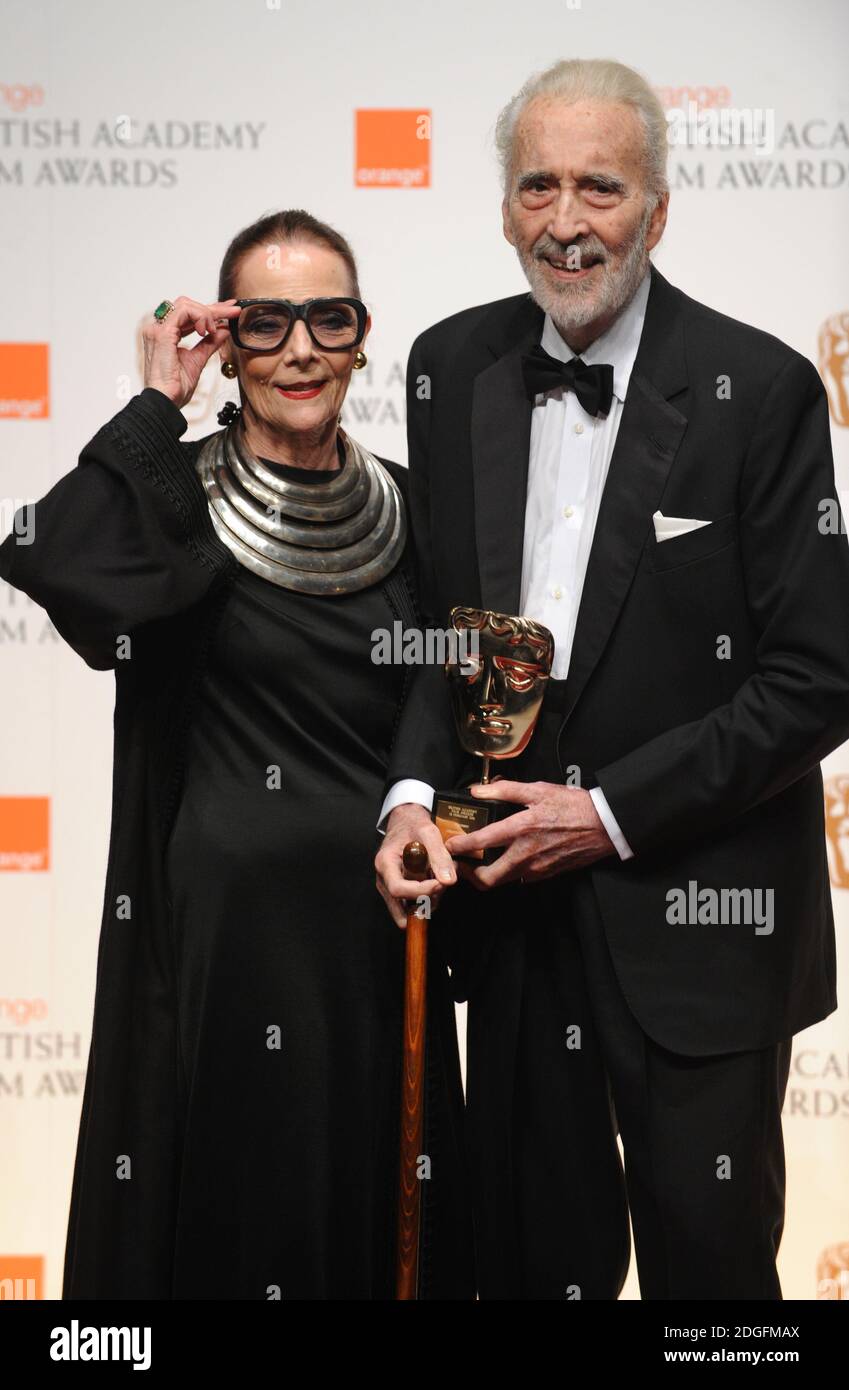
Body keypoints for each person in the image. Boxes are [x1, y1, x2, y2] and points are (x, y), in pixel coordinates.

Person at [375, 58, 849, 1300]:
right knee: (534, 1270)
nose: (566, 219)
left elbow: (817, 676)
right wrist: (414, 789)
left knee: (714, 1286)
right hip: (517, 917)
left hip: (704, 922)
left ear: (658, 209)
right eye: (538, 184)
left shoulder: (766, 391)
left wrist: (609, 814)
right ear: (503, 206)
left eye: (600, 185)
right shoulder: (449, 366)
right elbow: (438, 625)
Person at [0, 209, 474, 1300]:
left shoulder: (420, 509)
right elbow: (45, 556)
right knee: (234, 1204)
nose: (300, 347)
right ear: (229, 340)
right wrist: (155, 403)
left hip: (377, 926)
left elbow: (447, 698)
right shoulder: (175, 499)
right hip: (222, 942)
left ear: (363, 338)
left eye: (328, 318)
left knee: (379, 1205)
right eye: (266, 322)